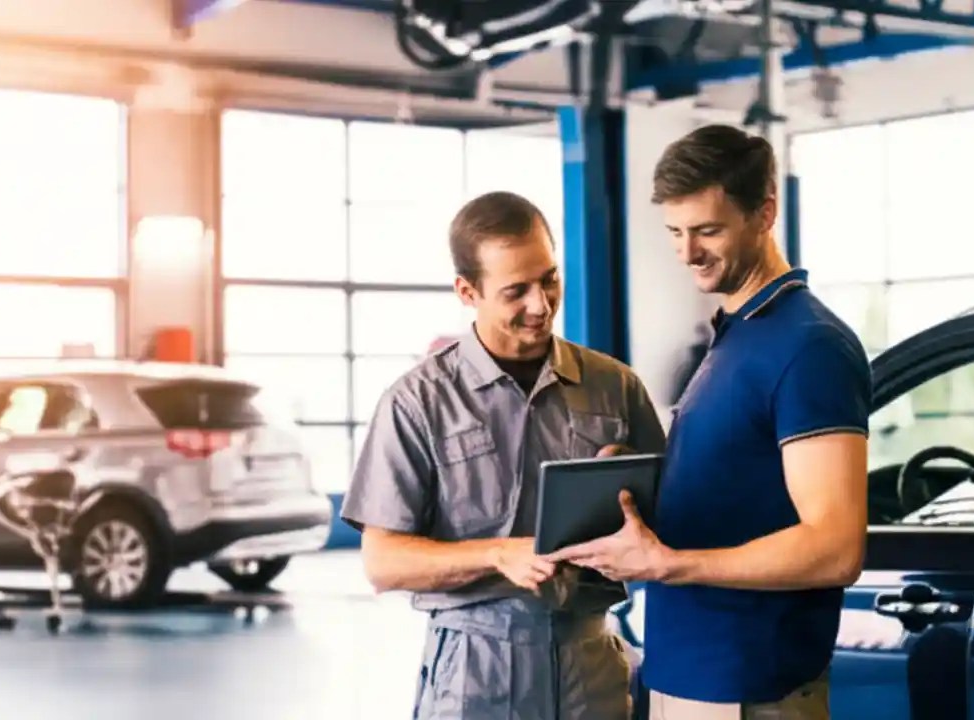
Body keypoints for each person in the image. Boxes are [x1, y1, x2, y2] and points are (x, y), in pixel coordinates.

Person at [548, 125, 872, 720]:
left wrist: (671, 564)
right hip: (693, 675)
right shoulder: (737, 336)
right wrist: (646, 480)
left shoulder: (810, 347)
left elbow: (835, 546)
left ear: (765, 213)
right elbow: (739, 489)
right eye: (675, 231)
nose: (687, 252)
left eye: (708, 230)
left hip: (749, 687)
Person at [340, 190, 667, 720]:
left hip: (590, 667)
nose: (540, 304)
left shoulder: (615, 387)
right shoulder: (418, 402)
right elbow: (383, 562)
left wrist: (631, 499)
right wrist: (497, 553)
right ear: (467, 291)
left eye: (549, 279)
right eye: (516, 290)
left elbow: (668, 517)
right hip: (475, 672)